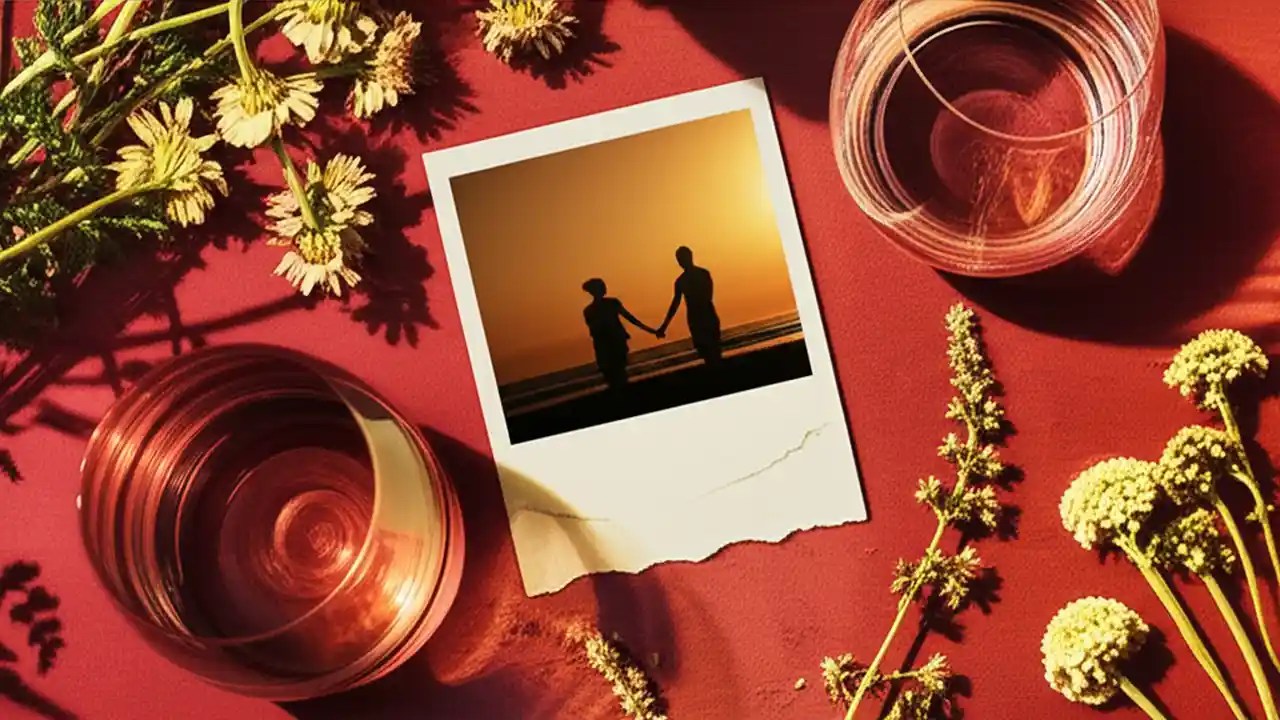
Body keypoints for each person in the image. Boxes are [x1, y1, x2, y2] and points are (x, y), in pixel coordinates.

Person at [581, 278, 659, 390]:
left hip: (610, 346)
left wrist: (652, 331)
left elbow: (631, 319)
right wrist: (652, 331)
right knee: (618, 376)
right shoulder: (605, 306)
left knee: (616, 378)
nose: (605, 289)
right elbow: (631, 319)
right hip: (610, 346)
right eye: (602, 287)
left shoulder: (592, 309)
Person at [656, 246, 721, 365]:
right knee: (707, 353)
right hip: (697, 319)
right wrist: (664, 326)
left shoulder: (702, 274)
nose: (681, 262)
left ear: (690, 257)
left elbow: (708, 296)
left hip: (705, 316)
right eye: (679, 260)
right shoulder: (681, 281)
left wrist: (663, 327)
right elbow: (674, 305)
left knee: (714, 350)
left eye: (682, 259)